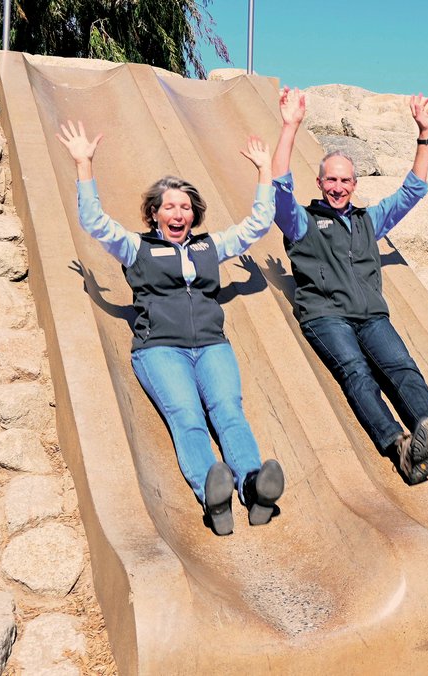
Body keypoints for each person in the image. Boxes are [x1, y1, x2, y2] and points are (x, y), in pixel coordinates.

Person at [56, 120, 284, 536]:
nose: (178, 213)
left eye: (185, 207)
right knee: (188, 417)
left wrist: (264, 171)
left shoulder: (209, 246)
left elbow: (257, 225)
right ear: (154, 213)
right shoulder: (136, 247)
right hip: (160, 349)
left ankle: (254, 486)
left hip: (212, 345)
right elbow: (94, 221)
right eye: (169, 207)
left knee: (230, 413)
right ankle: (213, 494)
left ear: (194, 213)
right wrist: (84, 166)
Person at [270, 87, 428, 485]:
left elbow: (413, 190)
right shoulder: (302, 221)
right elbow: (278, 188)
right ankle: (403, 449)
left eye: (345, 180)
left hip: (372, 316)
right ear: (320, 182)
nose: (338, 187)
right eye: (332, 180)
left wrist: (424, 133)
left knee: (404, 370)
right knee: (357, 373)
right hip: (326, 318)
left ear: (355, 184)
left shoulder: (368, 220)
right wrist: (290, 126)